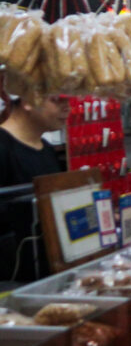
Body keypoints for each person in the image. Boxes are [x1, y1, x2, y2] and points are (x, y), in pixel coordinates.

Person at [0, 92, 68, 281]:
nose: (67, 108)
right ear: (28, 100)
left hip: (44, 278)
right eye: (56, 100)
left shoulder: (46, 149)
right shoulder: (3, 147)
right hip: (11, 286)